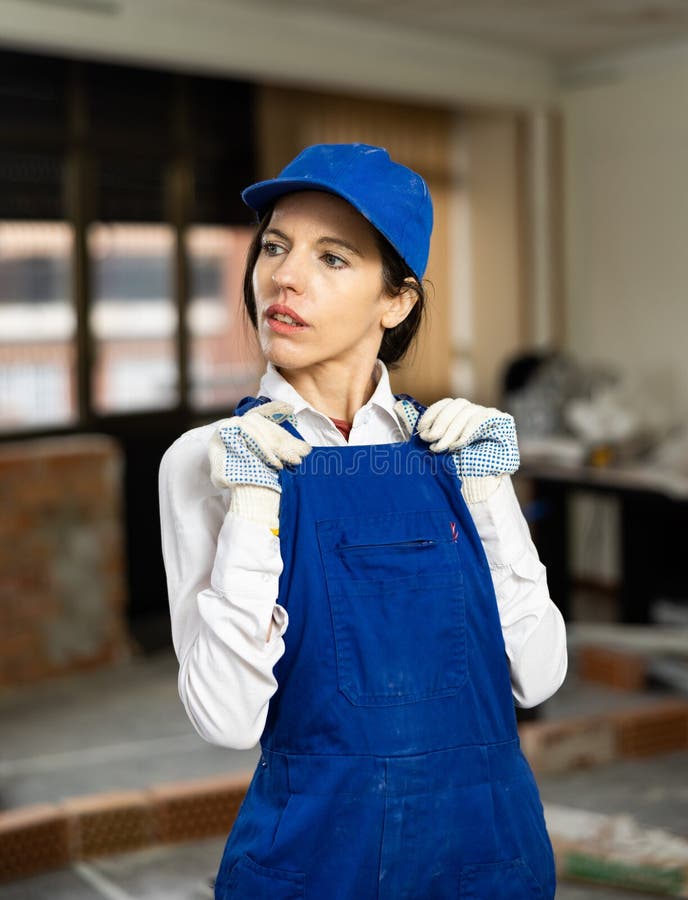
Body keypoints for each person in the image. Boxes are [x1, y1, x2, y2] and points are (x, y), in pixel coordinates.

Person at [159, 143, 567, 900]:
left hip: (487, 856)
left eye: (333, 258)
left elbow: (539, 674)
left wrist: (488, 495)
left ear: (398, 300)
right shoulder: (204, 461)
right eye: (275, 246)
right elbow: (224, 718)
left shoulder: (456, 450)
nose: (284, 275)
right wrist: (254, 506)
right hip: (314, 863)